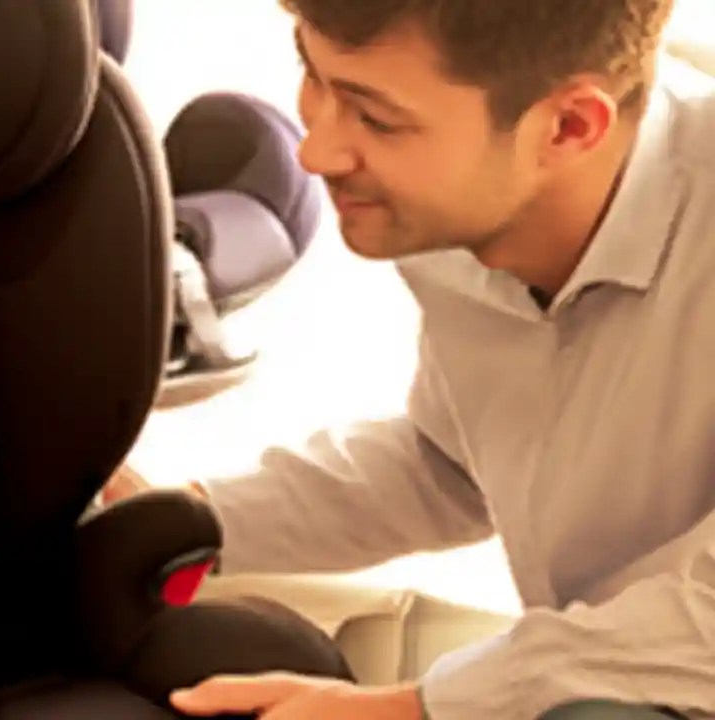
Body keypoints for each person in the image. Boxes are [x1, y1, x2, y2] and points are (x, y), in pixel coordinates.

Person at [106, 1, 715, 718]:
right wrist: (190, 520)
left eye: (376, 118)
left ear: (569, 126)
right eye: (314, 74)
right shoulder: (472, 215)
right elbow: (448, 464)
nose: (315, 152)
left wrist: (411, 707)